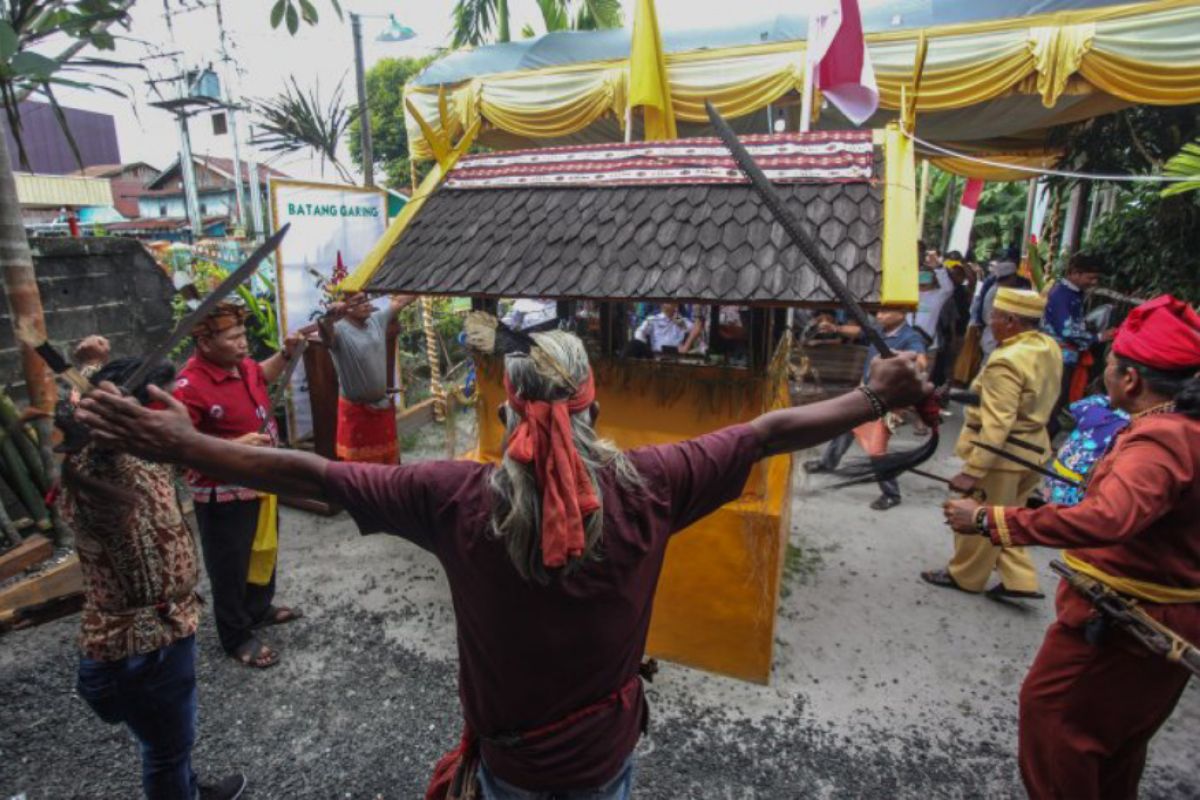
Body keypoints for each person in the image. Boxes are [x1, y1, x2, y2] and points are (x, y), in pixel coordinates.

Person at [75, 328, 931, 800]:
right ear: (594, 402)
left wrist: (187, 445)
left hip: (516, 768)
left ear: (505, 405)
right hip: (603, 756)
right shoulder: (655, 484)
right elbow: (771, 431)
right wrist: (876, 396)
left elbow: (315, 477)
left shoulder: (454, 498)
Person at [942, 294, 1200, 800]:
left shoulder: (1161, 440)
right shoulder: (1178, 429)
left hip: (1125, 622)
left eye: (1113, 366)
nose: (1105, 373)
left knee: (1055, 724)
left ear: (1131, 380)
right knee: (1116, 739)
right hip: (1164, 616)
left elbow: (1110, 517)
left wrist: (988, 518)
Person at [61, 357, 246, 800]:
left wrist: (85, 364)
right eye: (167, 406)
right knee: (165, 748)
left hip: (162, 631)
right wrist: (94, 402)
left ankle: (187, 786)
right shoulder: (100, 464)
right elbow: (81, 424)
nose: (178, 415)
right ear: (134, 418)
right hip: (145, 644)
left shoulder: (142, 456)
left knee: (169, 740)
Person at [174, 302, 304, 668]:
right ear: (205, 343)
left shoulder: (241, 366)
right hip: (223, 493)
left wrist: (285, 354)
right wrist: (232, 447)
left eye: (243, 335)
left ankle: (259, 609)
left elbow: (262, 374)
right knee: (230, 564)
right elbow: (180, 446)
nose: (243, 343)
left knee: (264, 549)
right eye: (233, 338)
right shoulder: (189, 387)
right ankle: (234, 635)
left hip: (262, 481)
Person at [921, 288, 1062, 600]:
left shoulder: (1006, 360)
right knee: (1011, 516)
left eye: (994, 317)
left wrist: (973, 470)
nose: (989, 323)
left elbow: (998, 422)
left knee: (978, 518)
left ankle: (965, 576)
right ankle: (1020, 580)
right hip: (1034, 449)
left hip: (1002, 458)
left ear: (1011, 320)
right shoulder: (1046, 346)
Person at [805, 307, 927, 511]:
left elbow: (921, 361)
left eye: (886, 312)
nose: (879, 315)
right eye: (879, 311)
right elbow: (859, 332)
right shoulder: (880, 330)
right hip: (866, 393)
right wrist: (835, 327)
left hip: (888, 401)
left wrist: (899, 357)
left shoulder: (910, 337)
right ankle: (828, 463)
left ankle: (891, 494)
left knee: (876, 448)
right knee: (844, 428)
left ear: (901, 314)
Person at [319, 292, 416, 465]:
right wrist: (330, 316)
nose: (366, 304)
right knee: (361, 475)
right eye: (358, 301)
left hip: (381, 409)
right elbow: (326, 334)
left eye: (366, 299)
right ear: (345, 307)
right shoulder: (338, 330)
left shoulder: (376, 320)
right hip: (356, 414)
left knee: (387, 470)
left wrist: (420, 284)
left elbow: (400, 301)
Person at [1042, 252, 1107, 434]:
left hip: (1063, 356)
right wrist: (1098, 337)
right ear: (1074, 273)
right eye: (1090, 277)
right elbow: (1067, 330)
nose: (1093, 282)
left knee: (1057, 401)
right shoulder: (1063, 295)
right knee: (1054, 401)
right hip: (1058, 357)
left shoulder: (1072, 293)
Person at [1044, 394, 1129, 506]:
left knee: (1050, 513)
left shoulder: (1092, 409)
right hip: (1077, 486)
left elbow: (1076, 406)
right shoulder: (1128, 425)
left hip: (1060, 476)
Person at [628, 302, 700, 356]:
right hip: (658, 356)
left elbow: (697, 327)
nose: (674, 304)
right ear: (662, 304)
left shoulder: (678, 319)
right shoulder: (654, 319)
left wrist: (686, 347)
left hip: (677, 357)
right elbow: (639, 333)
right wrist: (646, 350)